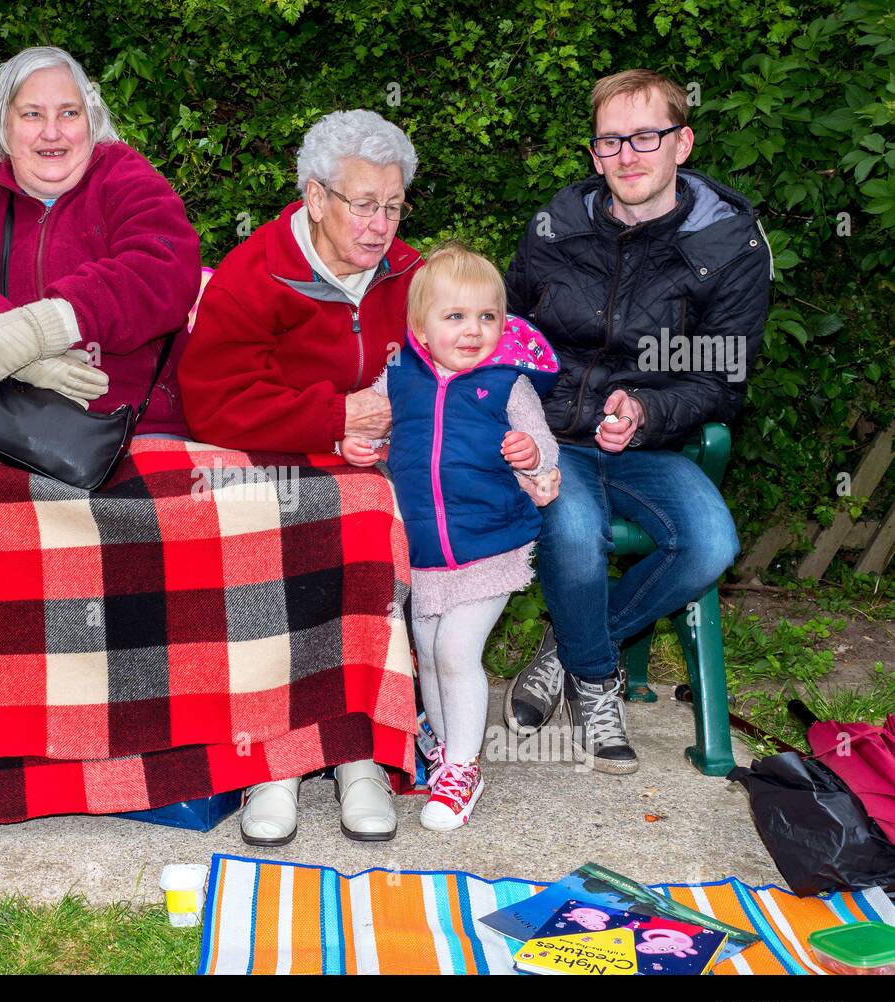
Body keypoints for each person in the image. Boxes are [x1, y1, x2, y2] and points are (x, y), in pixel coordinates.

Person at [502, 69, 771, 773]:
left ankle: (571, 650)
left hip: (648, 445)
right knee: (573, 528)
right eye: (611, 140)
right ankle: (597, 684)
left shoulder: (730, 247)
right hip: (555, 435)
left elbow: (722, 379)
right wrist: (525, 421)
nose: (628, 154)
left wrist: (648, 410)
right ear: (594, 154)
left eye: (646, 136)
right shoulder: (553, 229)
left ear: (682, 142)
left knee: (710, 542)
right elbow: (501, 339)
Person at [179, 109, 421, 845]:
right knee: (284, 530)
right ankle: (273, 760)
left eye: (393, 205)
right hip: (278, 458)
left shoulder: (411, 274)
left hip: (376, 465)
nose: (381, 225)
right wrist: (330, 419)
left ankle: (360, 754)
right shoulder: (260, 270)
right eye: (364, 204)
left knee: (374, 518)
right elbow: (212, 401)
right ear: (316, 198)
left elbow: (460, 363)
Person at [341, 244, 559, 829]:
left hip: (490, 543)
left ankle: (464, 766)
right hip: (423, 550)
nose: (473, 331)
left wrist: (533, 455)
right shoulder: (400, 376)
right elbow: (370, 428)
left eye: (487, 317)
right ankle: (440, 747)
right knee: (430, 656)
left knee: (457, 651)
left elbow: (545, 450)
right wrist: (354, 445)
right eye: (455, 317)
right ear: (419, 326)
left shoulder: (507, 384)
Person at [0, 46, 201, 432]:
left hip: (132, 426)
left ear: (91, 119)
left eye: (69, 113)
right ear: (3, 126)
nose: (52, 132)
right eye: (32, 114)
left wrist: (45, 326)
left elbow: (163, 269)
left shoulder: (129, 180)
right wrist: (7, 350)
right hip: (1, 431)